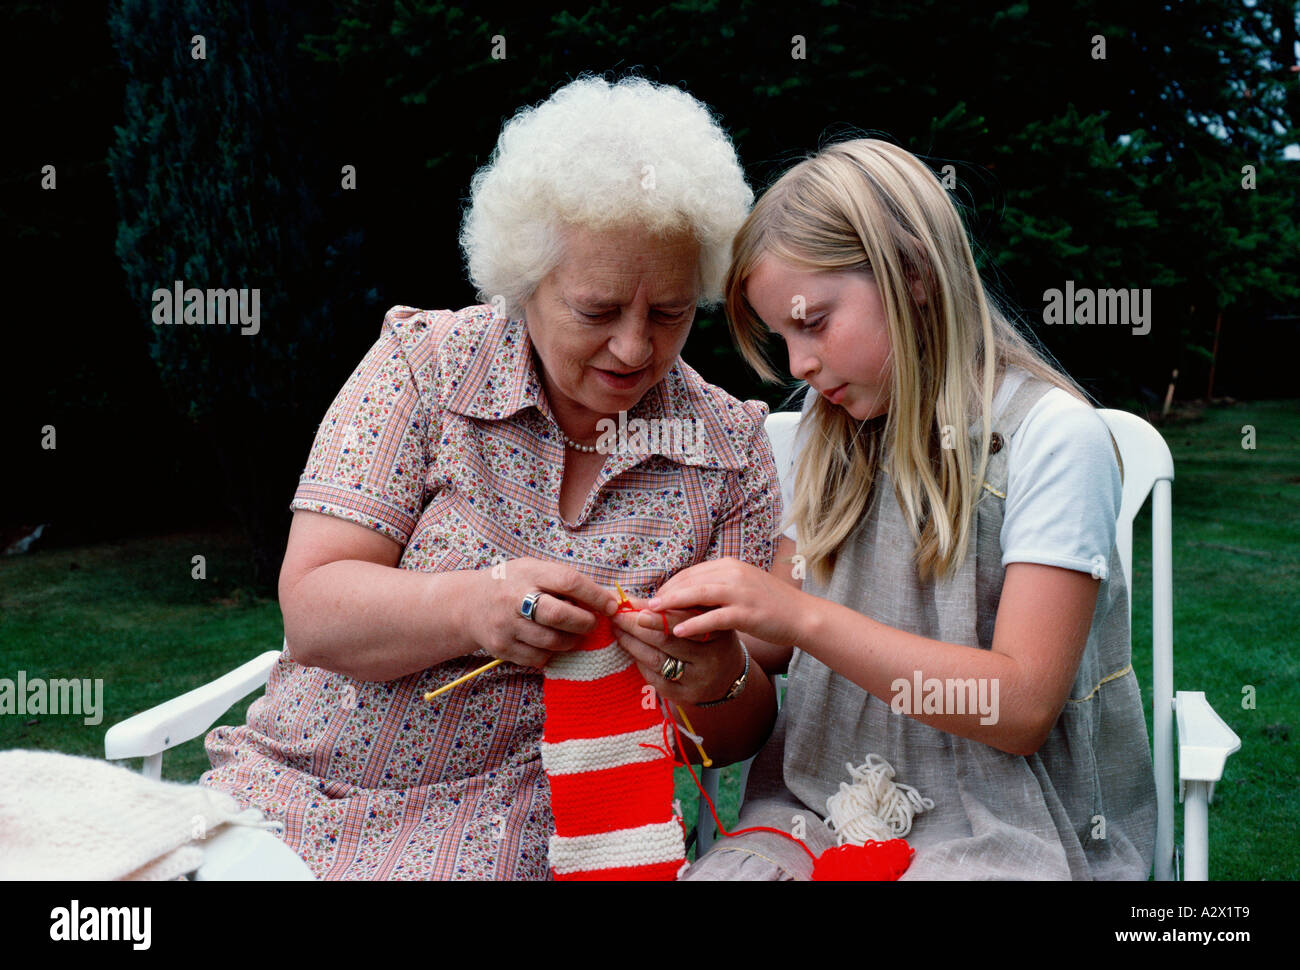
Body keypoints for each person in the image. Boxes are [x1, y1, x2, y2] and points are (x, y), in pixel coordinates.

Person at [198, 74, 784, 880]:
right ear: (525, 278)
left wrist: (708, 673)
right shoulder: (427, 368)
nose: (634, 348)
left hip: (552, 837)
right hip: (306, 798)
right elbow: (313, 612)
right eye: (597, 309)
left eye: (670, 312)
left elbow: (738, 733)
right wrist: (473, 605)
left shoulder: (727, 453)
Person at [642, 138, 1159, 880]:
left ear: (913, 276)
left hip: (1005, 823)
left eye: (814, 322)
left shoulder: (1051, 439)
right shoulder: (826, 439)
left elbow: (1020, 708)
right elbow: (770, 646)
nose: (799, 365)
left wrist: (798, 618)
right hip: (816, 812)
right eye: (782, 337)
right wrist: (691, 647)